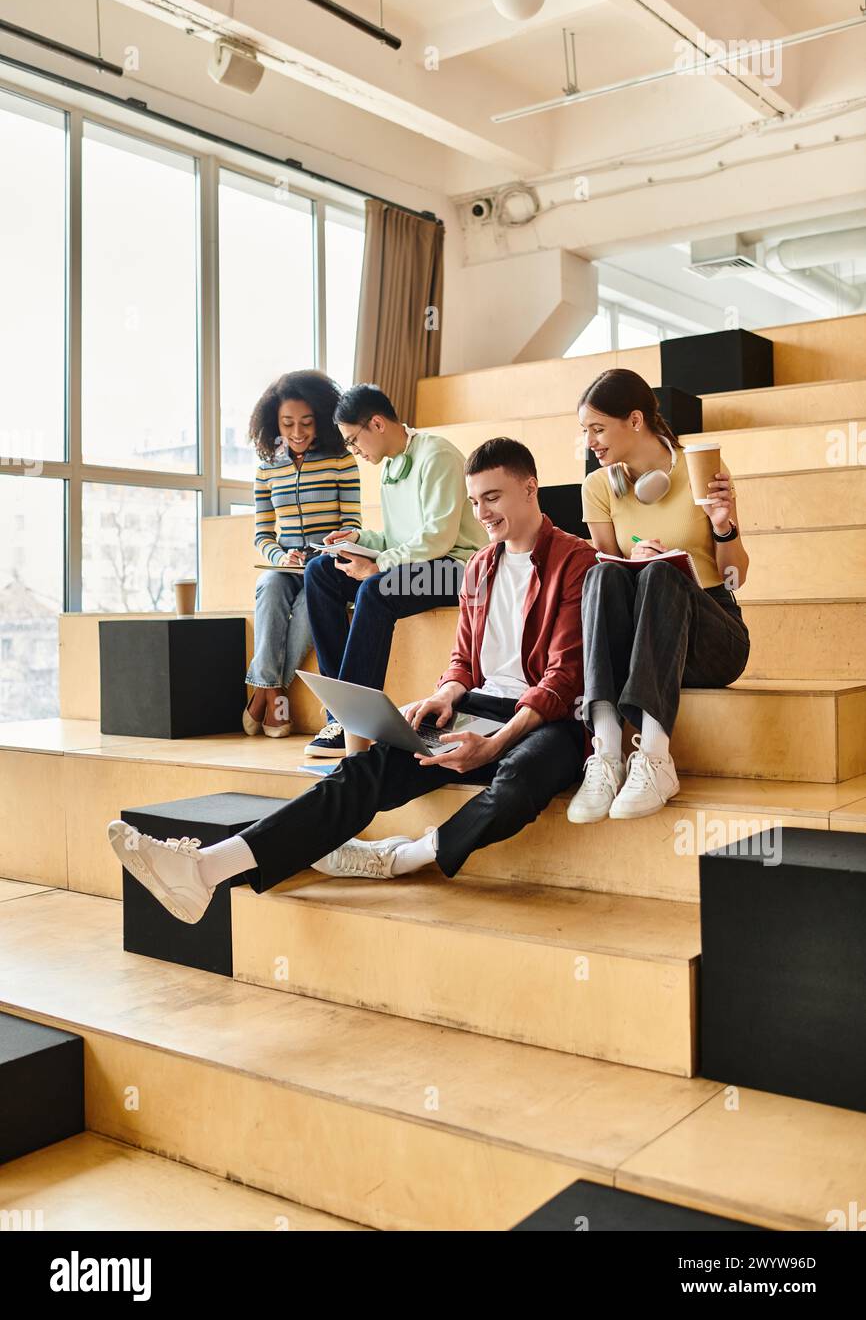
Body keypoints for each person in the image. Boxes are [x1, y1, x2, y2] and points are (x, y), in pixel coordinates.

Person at [106, 438, 596, 921]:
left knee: (521, 780)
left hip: (549, 722)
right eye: (474, 501)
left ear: (530, 488)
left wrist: (493, 746)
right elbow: (464, 662)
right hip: (480, 709)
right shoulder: (478, 567)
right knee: (364, 770)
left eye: (493, 497)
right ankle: (206, 869)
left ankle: (409, 856)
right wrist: (444, 696)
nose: (483, 512)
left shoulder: (576, 560)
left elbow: (562, 679)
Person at [567, 368, 750, 824]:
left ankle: (654, 757)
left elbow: (735, 577)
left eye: (597, 428)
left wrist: (723, 524)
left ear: (633, 420)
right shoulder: (597, 487)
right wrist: (640, 560)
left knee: (662, 576)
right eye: (584, 430)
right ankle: (607, 753)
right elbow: (610, 584)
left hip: (714, 635)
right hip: (645, 643)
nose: (589, 440)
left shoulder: (701, 470)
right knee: (601, 578)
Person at [302, 383, 486, 758]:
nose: (355, 451)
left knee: (376, 589)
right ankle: (342, 709)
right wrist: (359, 539)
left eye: (354, 440)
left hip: (458, 570)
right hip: (420, 566)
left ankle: (356, 722)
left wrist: (377, 565)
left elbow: (436, 538)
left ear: (377, 423)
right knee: (320, 571)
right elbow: (395, 536)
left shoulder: (437, 455)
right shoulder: (390, 467)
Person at [243, 371, 360, 739]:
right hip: (286, 566)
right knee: (269, 587)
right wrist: (281, 558)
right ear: (273, 423)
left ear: (321, 419)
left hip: (328, 568)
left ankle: (263, 695)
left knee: (312, 605)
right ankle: (272, 691)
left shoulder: (341, 460)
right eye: (288, 423)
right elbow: (262, 535)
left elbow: (354, 522)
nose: (297, 432)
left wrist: (335, 544)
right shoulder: (266, 470)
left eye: (307, 423)